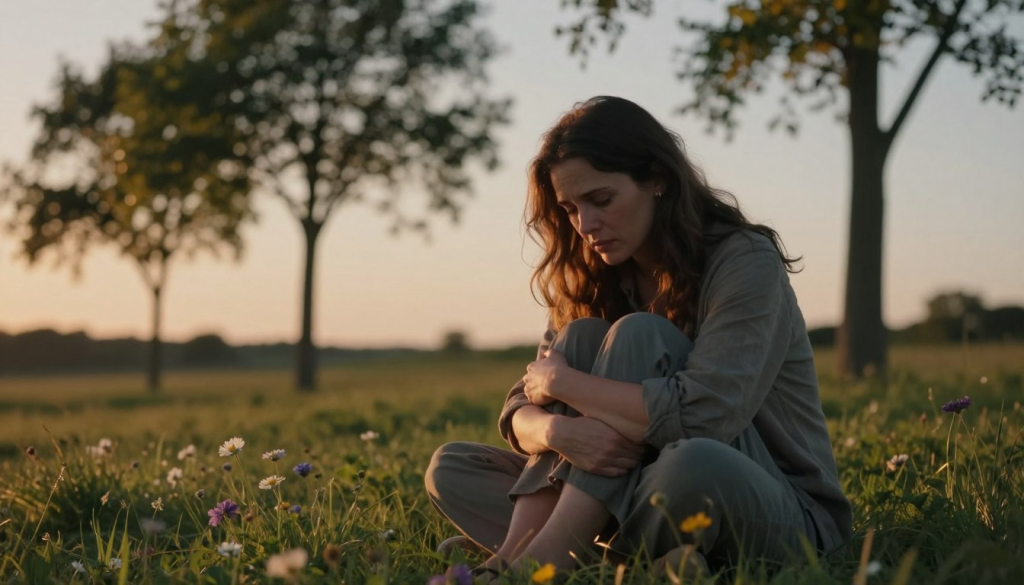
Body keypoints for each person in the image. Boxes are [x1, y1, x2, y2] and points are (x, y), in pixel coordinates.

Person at [424, 96, 852, 580]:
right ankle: (611, 558)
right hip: (640, 493)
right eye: (570, 209)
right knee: (452, 466)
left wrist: (565, 387)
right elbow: (522, 410)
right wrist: (558, 432)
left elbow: (703, 416)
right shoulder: (591, 274)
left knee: (669, 414)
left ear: (658, 181)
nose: (585, 226)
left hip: (763, 500)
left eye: (601, 200)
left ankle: (532, 564)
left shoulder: (744, 261)